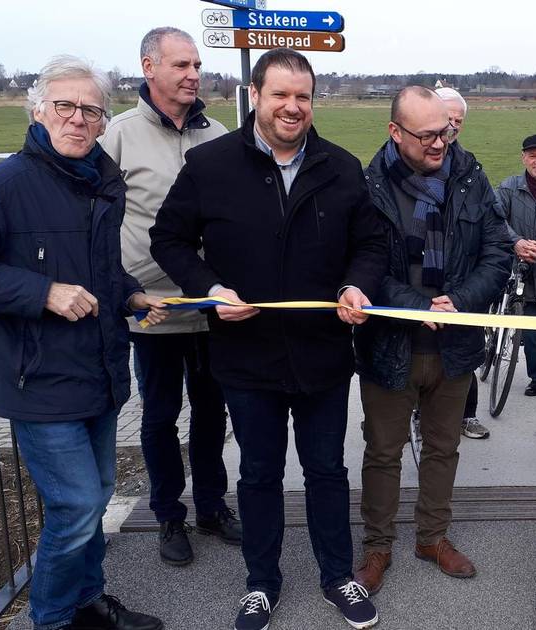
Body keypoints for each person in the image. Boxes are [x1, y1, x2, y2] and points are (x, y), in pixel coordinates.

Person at [0, 55, 167, 630]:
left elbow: (99, 267)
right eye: (65, 106)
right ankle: (50, 619)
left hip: (98, 371)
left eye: (91, 110)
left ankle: (88, 601)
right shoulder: (6, 184)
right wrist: (42, 292)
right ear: (38, 111)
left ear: (105, 121)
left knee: (97, 497)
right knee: (75, 505)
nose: (78, 120)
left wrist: (129, 295)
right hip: (37, 379)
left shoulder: (102, 179)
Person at [148, 48, 386, 630]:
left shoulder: (341, 166)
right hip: (245, 355)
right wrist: (210, 287)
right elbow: (169, 239)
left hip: (322, 354)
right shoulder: (211, 165)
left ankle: (337, 576)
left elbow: (372, 243)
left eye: (302, 96)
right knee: (257, 473)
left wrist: (357, 285)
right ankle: (262, 582)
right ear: (254, 96)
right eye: (279, 94)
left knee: (327, 469)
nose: (292, 107)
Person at [353, 86, 512, 596]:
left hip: (455, 346)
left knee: (443, 449)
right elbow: (364, 265)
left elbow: (497, 251)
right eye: (427, 135)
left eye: (445, 131)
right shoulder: (369, 185)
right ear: (395, 132)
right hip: (391, 347)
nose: (440, 143)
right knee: (383, 452)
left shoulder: (471, 177)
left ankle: (432, 536)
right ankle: (378, 546)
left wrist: (459, 300)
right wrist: (418, 307)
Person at [99, 26, 238, 567]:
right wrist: (123, 288)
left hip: (211, 305)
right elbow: (100, 218)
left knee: (211, 411)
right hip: (152, 308)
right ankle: (167, 516)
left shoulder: (219, 133)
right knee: (159, 415)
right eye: (181, 65)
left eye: (197, 65)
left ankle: (211, 507)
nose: (193, 75)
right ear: (149, 66)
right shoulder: (118, 135)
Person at [434, 85, 489, 439]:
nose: (452, 126)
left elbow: (492, 223)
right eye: (446, 118)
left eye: (458, 120)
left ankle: (466, 415)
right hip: (421, 283)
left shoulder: (471, 170)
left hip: (460, 285)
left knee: (463, 355)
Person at [498, 134, 536, 400]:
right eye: (532, 156)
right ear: (524, 158)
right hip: (524, 273)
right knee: (531, 332)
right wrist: (517, 242)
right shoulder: (510, 188)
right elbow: (495, 218)